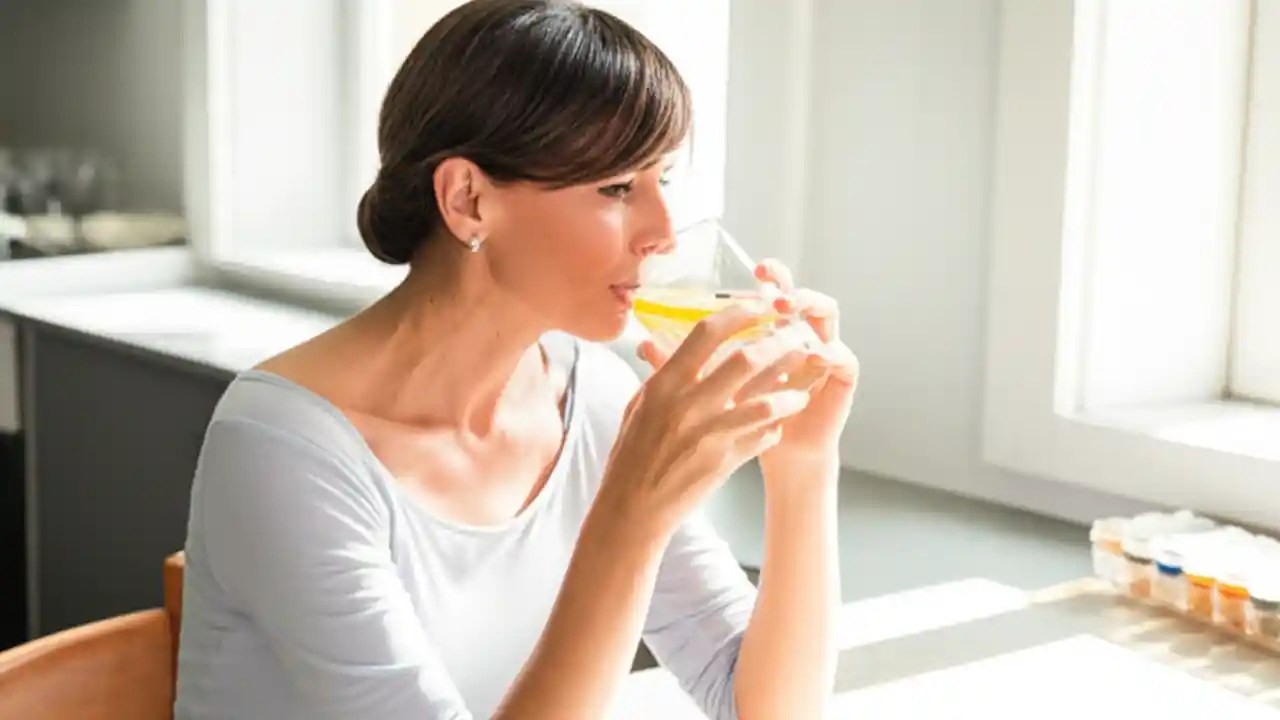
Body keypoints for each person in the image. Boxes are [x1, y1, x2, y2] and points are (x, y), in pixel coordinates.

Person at [173, 1, 858, 718]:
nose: (661, 231)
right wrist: (630, 515)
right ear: (468, 200)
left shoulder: (586, 397)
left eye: (663, 180)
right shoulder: (284, 451)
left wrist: (803, 470)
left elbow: (760, 706)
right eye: (618, 188)